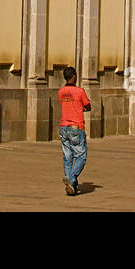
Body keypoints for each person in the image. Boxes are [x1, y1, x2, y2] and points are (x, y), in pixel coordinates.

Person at [57, 65, 90, 197]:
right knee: (81, 156)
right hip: (76, 127)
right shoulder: (80, 91)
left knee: (67, 157)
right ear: (74, 76)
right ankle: (71, 178)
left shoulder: (61, 92)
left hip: (64, 126)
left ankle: (72, 186)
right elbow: (87, 106)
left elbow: (65, 104)